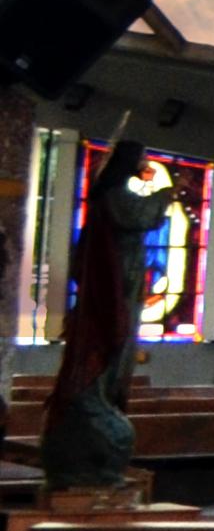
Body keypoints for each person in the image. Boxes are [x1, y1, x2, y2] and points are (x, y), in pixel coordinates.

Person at [46, 142, 150, 509]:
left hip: (123, 291)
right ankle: (89, 462)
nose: (146, 163)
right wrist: (168, 193)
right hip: (111, 298)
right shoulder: (115, 199)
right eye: (140, 158)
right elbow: (143, 215)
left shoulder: (108, 203)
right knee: (106, 355)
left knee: (113, 364)